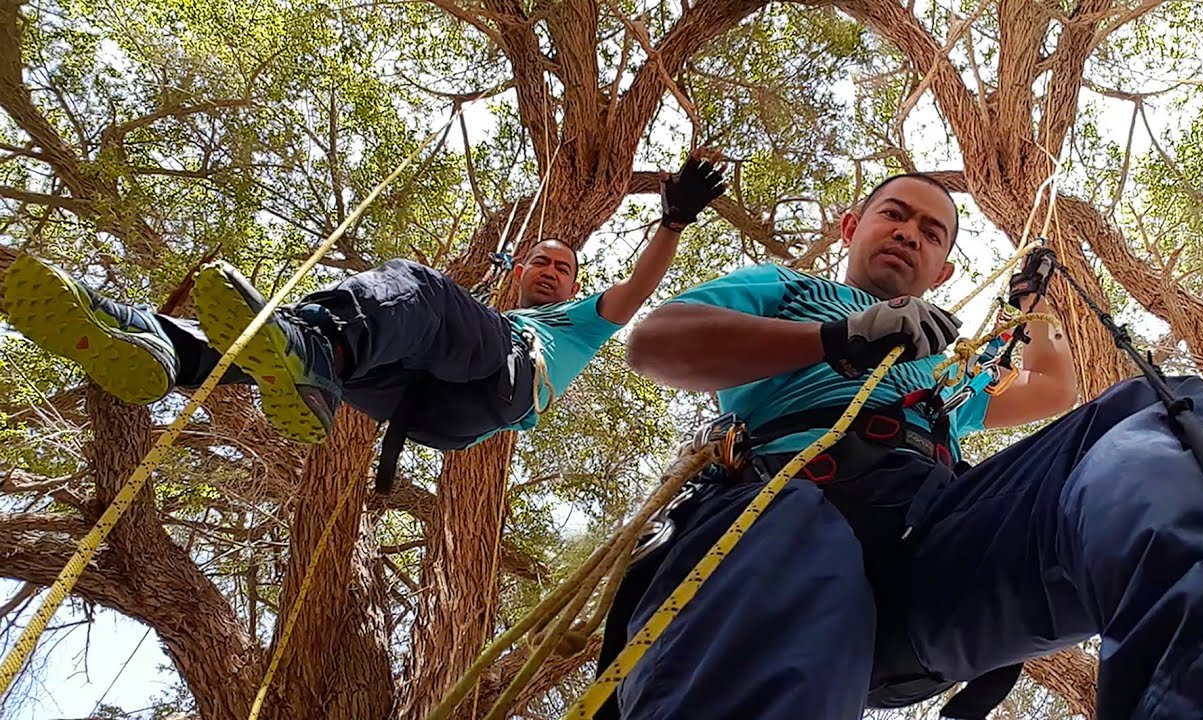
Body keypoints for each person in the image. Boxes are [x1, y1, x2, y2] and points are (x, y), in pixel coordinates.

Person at [607, 173, 1203, 719]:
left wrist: (1030, 311)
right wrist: (837, 339)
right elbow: (657, 342)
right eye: (893, 214)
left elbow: (1052, 390)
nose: (908, 233)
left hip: (935, 543)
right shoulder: (791, 290)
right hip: (787, 509)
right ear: (851, 227)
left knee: (1154, 419)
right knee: (799, 537)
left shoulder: (943, 366)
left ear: (942, 271)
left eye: (930, 232)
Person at [4, 148, 728, 489]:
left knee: (409, 286)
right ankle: (154, 345)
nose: (549, 269)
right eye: (538, 260)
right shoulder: (484, 309)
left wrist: (672, 219)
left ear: (573, 281)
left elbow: (636, 290)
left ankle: (314, 350)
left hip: (502, 380)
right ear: (515, 271)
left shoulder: (578, 319)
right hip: (418, 408)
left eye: (561, 265)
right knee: (279, 348)